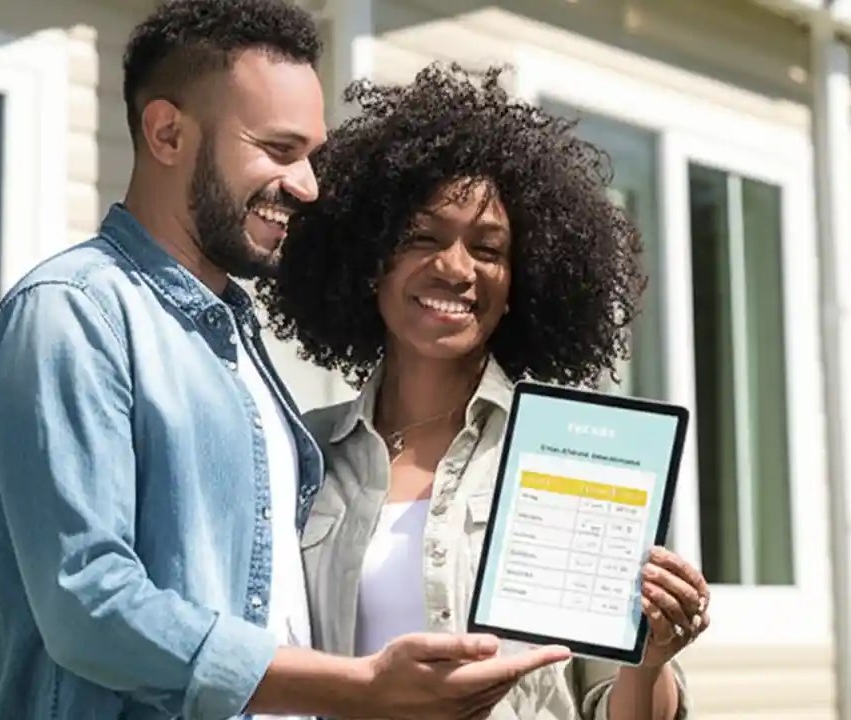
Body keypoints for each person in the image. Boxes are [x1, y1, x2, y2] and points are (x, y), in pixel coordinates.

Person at [0, 3, 567, 719]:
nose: (308, 186)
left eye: (310, 155)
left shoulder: (239, 346)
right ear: (167, 132)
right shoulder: (72, 314)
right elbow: (89, 603)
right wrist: (359, 688)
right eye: (279, 150)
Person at [261, 63, 712, 720]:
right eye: (423, 238)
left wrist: (651, 658)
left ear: (519, 283)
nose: (455, 268)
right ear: (368, 262)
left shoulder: (572, 459)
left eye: (489, 248)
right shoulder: (302, 453)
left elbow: (610, 705)